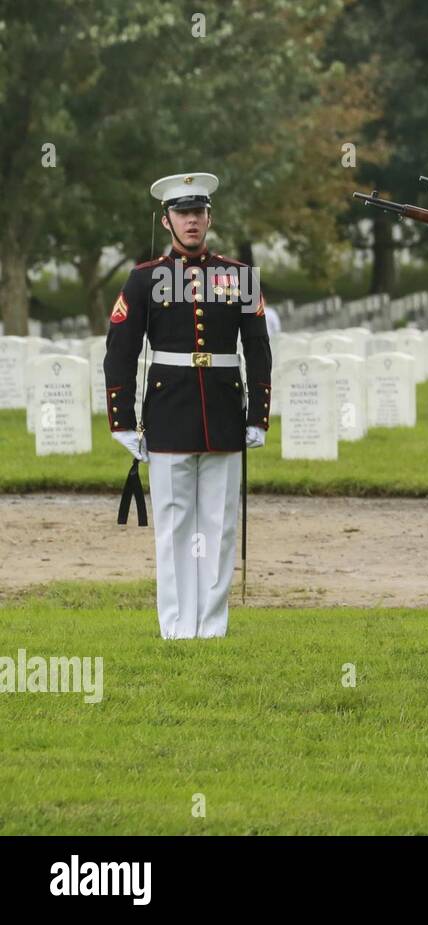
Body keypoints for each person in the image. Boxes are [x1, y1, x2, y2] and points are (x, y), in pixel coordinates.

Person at [104, 172, 272, 639]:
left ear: (210, 218)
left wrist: (257, 414)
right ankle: (177, 627)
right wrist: (122, 422)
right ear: (167, 220)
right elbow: (120, 349)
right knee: (175, 527)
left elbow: (257, 348)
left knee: (218, 528)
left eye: (198, 213)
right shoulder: (144, 279)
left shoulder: (239, 276)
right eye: (183, 213)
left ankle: (212, 627)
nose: (192, 221)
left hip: (222, 413)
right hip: (169, 412)